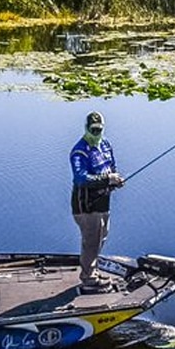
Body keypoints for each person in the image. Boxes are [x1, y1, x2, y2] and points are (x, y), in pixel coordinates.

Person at [70, 111, 124, 293]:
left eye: (98, 129)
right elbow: (80, 178)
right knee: (91, 240)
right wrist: (107, 179)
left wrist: (116, 179)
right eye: (92, 130)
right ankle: (88, 278)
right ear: (86, 129)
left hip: (103, 202)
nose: (96, 133)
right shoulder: (79, 151)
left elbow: (112, 166)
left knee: (102, 236)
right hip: (86, 205)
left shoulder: (106, 144)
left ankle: (93, 269)